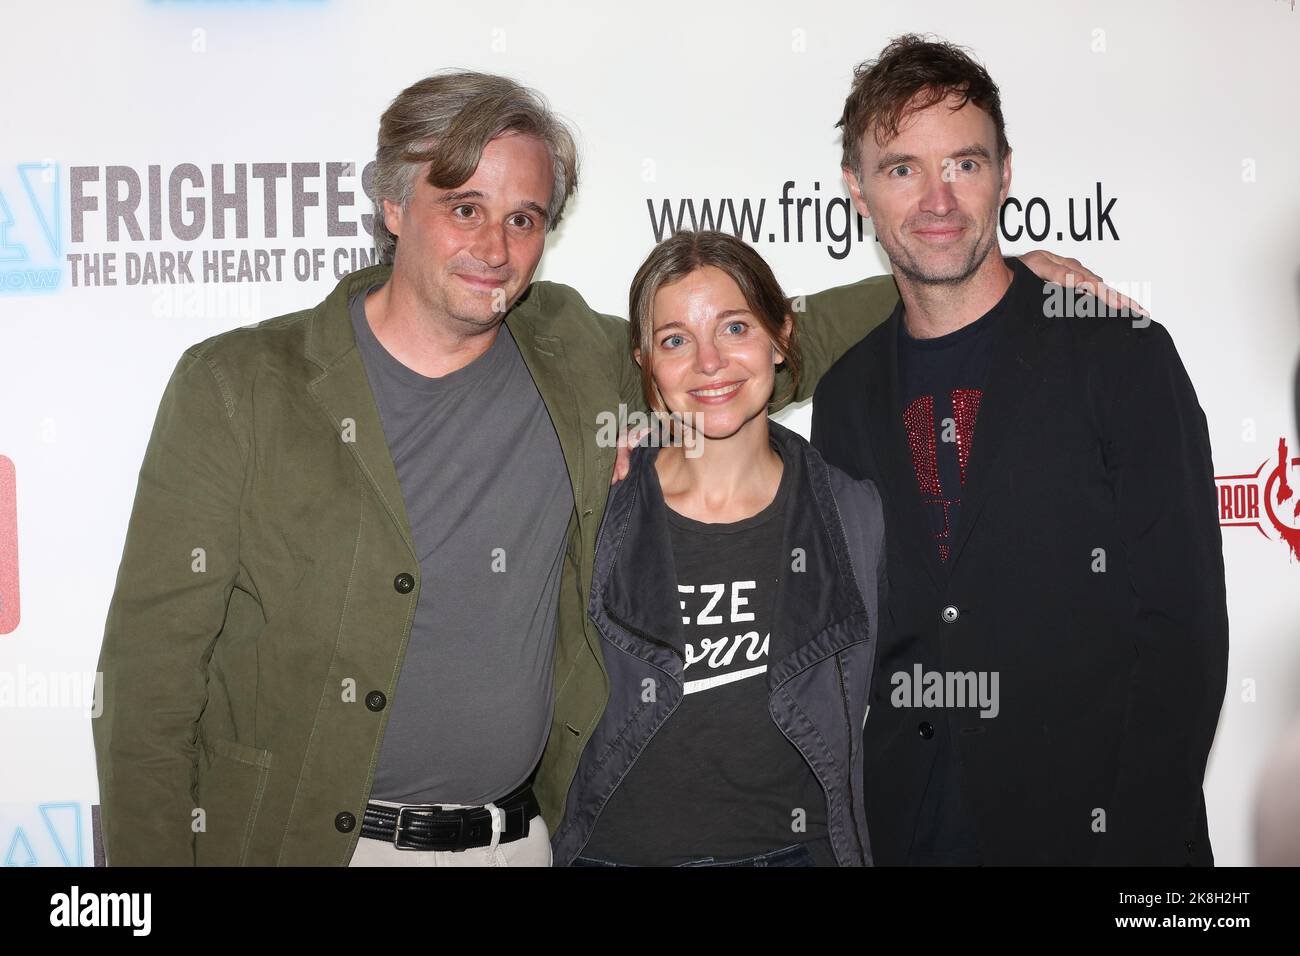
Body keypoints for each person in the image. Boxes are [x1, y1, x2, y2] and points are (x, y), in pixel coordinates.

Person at [91, 67, 1119, 866]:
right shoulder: (241, 384)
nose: (495, 245)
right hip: (296, 846)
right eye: (464, 205)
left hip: (519, 844)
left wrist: (975, 272)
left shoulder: (575, 353)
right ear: (395, 205)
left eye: (525, 216)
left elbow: (767, 334)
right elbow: (146, 681)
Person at [809, 34, 1228, 865]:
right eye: (902, 169)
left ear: (1005, 171)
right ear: (857, 190)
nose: (938, 198)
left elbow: (1183, 633)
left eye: (963, 164)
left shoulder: (1119, 353)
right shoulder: (846, 397)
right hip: (912, 829)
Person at [551, 230, 885, 867]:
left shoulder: (853, 514)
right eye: (675, 339)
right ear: (644, 363)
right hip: (615, 855)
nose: (709, 363)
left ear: (781, 337)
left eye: (735, 328)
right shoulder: (597, 508)